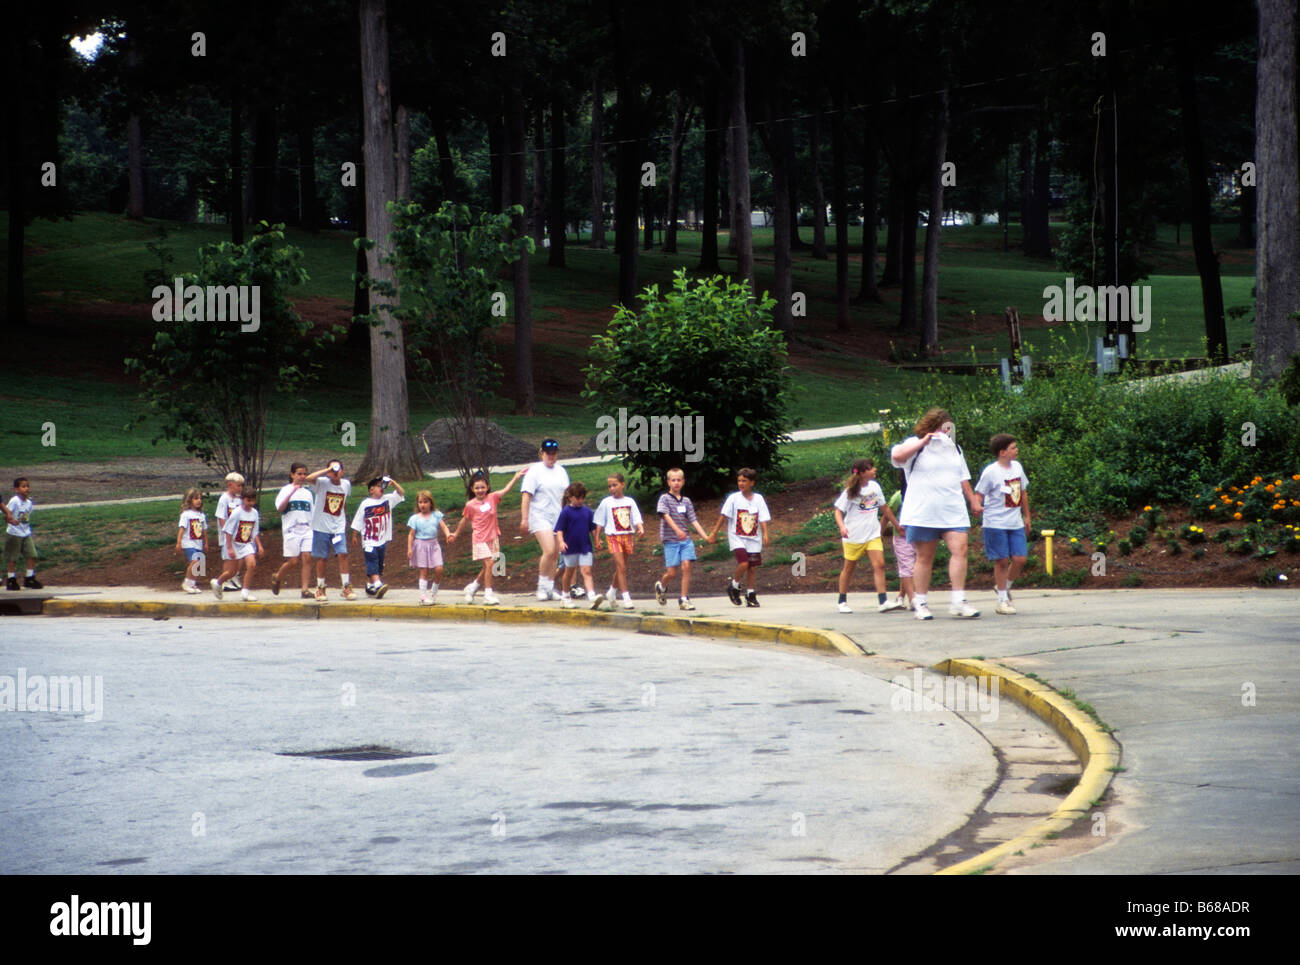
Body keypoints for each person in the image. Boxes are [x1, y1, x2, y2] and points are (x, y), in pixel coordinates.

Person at [889, 408, 982, 620]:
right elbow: (897, 456)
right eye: (943, 427)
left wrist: (973, 501)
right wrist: (924, 441)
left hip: (952, 509)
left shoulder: (955, 448)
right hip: (923, 511)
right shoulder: (914, 444)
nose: (946, 431)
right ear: (932, 426)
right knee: (925, 556)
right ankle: (920, 602)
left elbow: (962, 477)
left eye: (949, 427)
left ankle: (958, 601)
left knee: (960, 550)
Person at [833, 459, 905, 614]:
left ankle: (883, 601)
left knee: (879, 565)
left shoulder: (875, 487)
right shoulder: (850, 491)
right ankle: (842, 601)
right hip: (853, 536)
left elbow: (884, 508)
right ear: (862, 473)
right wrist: (842, 527)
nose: (874, 469)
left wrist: (897, 524)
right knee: (849, 569)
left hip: (872, 534)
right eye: (870, 468)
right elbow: (838, 511)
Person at [450, 468, 525, 605]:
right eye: (477, 488)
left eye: (482, 487)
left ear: (488, 487)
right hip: (479, 539)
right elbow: (464, 520)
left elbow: (506, 490)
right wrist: (455, 534)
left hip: (493, 537)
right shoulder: (470, 505)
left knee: (488, 566)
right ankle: (488, 594)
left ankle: (473, 587)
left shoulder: (493, 497)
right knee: (490, 563)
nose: (480, 490)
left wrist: (516, 477)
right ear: (472, 489)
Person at [975, 433, 1031, 615]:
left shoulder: (1017, 467)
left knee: (1020, 558)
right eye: (1013, 448)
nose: (1016, 450)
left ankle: (1004, 587)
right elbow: (979, 494)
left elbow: (1022, 493)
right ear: (1002, 452)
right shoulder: (991, 472)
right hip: (995, 522)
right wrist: (976, 506)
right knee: (1001, 560)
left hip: (1014, 522)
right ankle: (1002, 601)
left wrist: (1027, 516)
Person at [708, 468, 770, 607]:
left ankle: (750, 594)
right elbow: (723, 516)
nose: (741, 483)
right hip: (737, 537)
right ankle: (734, 586)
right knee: (744, 563)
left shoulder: (758, 499)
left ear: (752, 483)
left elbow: (763, 518)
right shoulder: (733, 498)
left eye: (744, 481)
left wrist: (765, 533)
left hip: (754, 538)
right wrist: (714, 533)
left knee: (752, 567)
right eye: (739, 480)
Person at [519, 439, 570, 601]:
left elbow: (566, 496)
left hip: (558, 516)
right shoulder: (534, 472)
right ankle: (541, 587)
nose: (551, 457)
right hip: (540, 516)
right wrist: (524, 519)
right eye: (548, 453)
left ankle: (549, 587)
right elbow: (526, 496)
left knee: (555, 554)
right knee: (548, 550)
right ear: (542, 453)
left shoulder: (561, 471)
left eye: (554, 453)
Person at [654, 468, 710, 611]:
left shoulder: (686, 501)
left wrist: (705, 536)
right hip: (671, 541)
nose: (676, 483)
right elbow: (665, 515)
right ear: (668, 482)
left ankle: (684, 598)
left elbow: (693, 520)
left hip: (685, 540)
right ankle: (662, 586)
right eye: (673, 480)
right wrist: (677, 530)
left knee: (686, 566)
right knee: (671, 573)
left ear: (683, 482)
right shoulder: (664, 499)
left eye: (679, 480)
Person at [592, 473, 644, 611]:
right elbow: (599, 522)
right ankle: (626, 597)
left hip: (627, 536)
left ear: (622, 484)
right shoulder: (606, 502)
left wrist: (640, 527)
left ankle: (612, 592)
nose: (612, 488)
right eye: (609, 486)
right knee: (621, 567)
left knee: (622, 568)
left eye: (614, 485)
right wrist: (597, 539)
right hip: (613, 537)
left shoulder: (630, 501)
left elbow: (636, 517)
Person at [306, 460, 354, 601]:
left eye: (338, 469)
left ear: (342, 471)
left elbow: (343, 502)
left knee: (342, 554)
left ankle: (346, 586)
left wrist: (344, 520)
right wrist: (327, 470)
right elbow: (309, 478)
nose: (335, 472)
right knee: (322, 557)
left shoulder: (346, 484)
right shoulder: (322, 483)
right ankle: (320, 588)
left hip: (338, 526)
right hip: (321, 526)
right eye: (332, 469)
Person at [350, 475, 405, 598]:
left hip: (381, 540)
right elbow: (358, 519)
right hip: (369, 539)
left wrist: (393, 482)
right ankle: (378, 584)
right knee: (371, 560)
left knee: (379, 564)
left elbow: (401, 493)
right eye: (379, 486)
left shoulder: (387, 500)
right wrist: (354, 535)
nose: (382, 488)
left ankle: (370, 585)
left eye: (383, 485)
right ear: (371, 490)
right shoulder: (365, 504)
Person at [212, 488, 264, 601]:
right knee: (232, 572)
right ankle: (218, 582)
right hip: (234, 543)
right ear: (242, 500)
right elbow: (228, 530)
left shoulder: (254, 513)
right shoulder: (237, 512)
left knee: (252, 564)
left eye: (252, 501)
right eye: (248, 500)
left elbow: (254, 531)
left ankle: (245, 592)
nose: (250, 503)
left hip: (246, 544)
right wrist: (230, 548)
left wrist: (259, 546)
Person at [272, 463, 315, 598]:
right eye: (299, 474)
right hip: (292, 529)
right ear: (292, 475)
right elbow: (280, 508)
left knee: (307, 557)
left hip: (306, 528)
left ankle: (305, 589)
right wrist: (292, 492)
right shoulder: (285, 490)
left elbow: (312, 512)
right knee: (293, 561)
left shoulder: (308, 493)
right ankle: (278, 576)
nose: (302, 476)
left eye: (304, 474)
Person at [553, 482, 598, 609]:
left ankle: (592, 596)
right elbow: (559, 530)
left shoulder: (587, 512)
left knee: (587, 571)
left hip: (585, 547)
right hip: (571, 548)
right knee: (568, 572)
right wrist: (561, 542)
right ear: (570, 497)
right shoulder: (566, 512)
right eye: (578, 497)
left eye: (582, 497)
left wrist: (597, 540)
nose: (580, 500)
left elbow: (592, 528)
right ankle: (565, 596)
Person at [407, 490, 452, 605]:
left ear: (431, 503)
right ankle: (423, 596)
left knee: (439, 568)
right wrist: (409, 548)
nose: (423, 504)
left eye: (425, 502)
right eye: (420, 502)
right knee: (424, 570)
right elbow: (411, 534)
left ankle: (434, 590)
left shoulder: (436, 515)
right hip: (421, 545)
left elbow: (443, 526)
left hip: (434, 545)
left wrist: (448, 534)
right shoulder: (415, 518)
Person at [4, 477, 41, 590]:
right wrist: (11, 520)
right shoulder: (14, 501)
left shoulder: (29, 503)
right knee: (13, 557)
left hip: (25, 532)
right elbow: (7, 515)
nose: (26, 488)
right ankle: (11, 579)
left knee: (32, 555)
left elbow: (26, 517)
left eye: (27, 486)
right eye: (23, 486)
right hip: (14, 533)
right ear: (16, 489)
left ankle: (29, 578)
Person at [214, 471, 245, 591]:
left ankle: (234, 576)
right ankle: (226, 581)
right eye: (238, 485)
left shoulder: (238, 500)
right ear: (230, 484)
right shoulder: (224, 499)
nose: (240, 488)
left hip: (239, 534)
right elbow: (221, 517)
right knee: (228, 558)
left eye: (241, 485)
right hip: (228, 535)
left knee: (240, 557)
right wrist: (227, 532)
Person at [886, 490, 916, 611]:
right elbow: (886, 513)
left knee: (912, 567)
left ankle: (900, 597)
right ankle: (913, 600)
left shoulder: (922, 491)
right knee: (907, 567)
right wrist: (879, 534)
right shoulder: (898, 496)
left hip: (918, 535)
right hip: (902, 536)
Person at [175, 488, 208, 594]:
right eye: (196, 498)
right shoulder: (186, 515)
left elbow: (204, 530)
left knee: (198, 564)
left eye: (200, 498)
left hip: (198, 543)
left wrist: (206, 543)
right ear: (189, 500)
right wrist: (179, 542)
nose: (199, 500)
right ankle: (186, 583)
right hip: (188, 542)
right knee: (195, 561)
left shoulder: (201, 515)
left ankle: (192, 583)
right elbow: (182, 529)